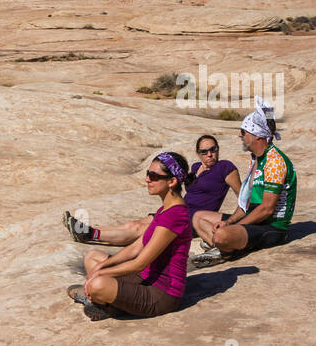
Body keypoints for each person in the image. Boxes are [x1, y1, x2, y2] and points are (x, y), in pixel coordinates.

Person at [66, 152, 194, 320]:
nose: (147, 179)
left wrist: (101, 275)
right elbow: (135, 248)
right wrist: (103, 266)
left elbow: (139, 263)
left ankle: (105, 302)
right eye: (148, 174)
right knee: (93, 258)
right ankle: (108, 302)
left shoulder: (175, 215)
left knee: (98, 284)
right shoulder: (164, 210)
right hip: (144, 277)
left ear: (172, 181)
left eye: (154, 176)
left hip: (161, 294)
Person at [63, 135, 240, 246]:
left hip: (193, 219)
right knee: (135, 224)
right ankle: (88, 230)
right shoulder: (194, 167)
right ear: (198, 153)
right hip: (178, 208)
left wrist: (232, 221)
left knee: (142, 230)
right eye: (204, 151)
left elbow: (242, 196)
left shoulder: (226, 167)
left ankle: (88, 233)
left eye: (213, 150)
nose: (210, 154)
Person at [192, 98, 295, 265]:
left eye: (244, 131)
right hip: (255, 217)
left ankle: (225, 250)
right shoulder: (256, 159)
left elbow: (267, 210)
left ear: (256, 136)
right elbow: (247, 203)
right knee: (198, 217)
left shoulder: (274, 162)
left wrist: (233, 227)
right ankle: (225, 245)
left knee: (221, 235)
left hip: (272, 227)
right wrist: (229, 221)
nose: (240, 135)